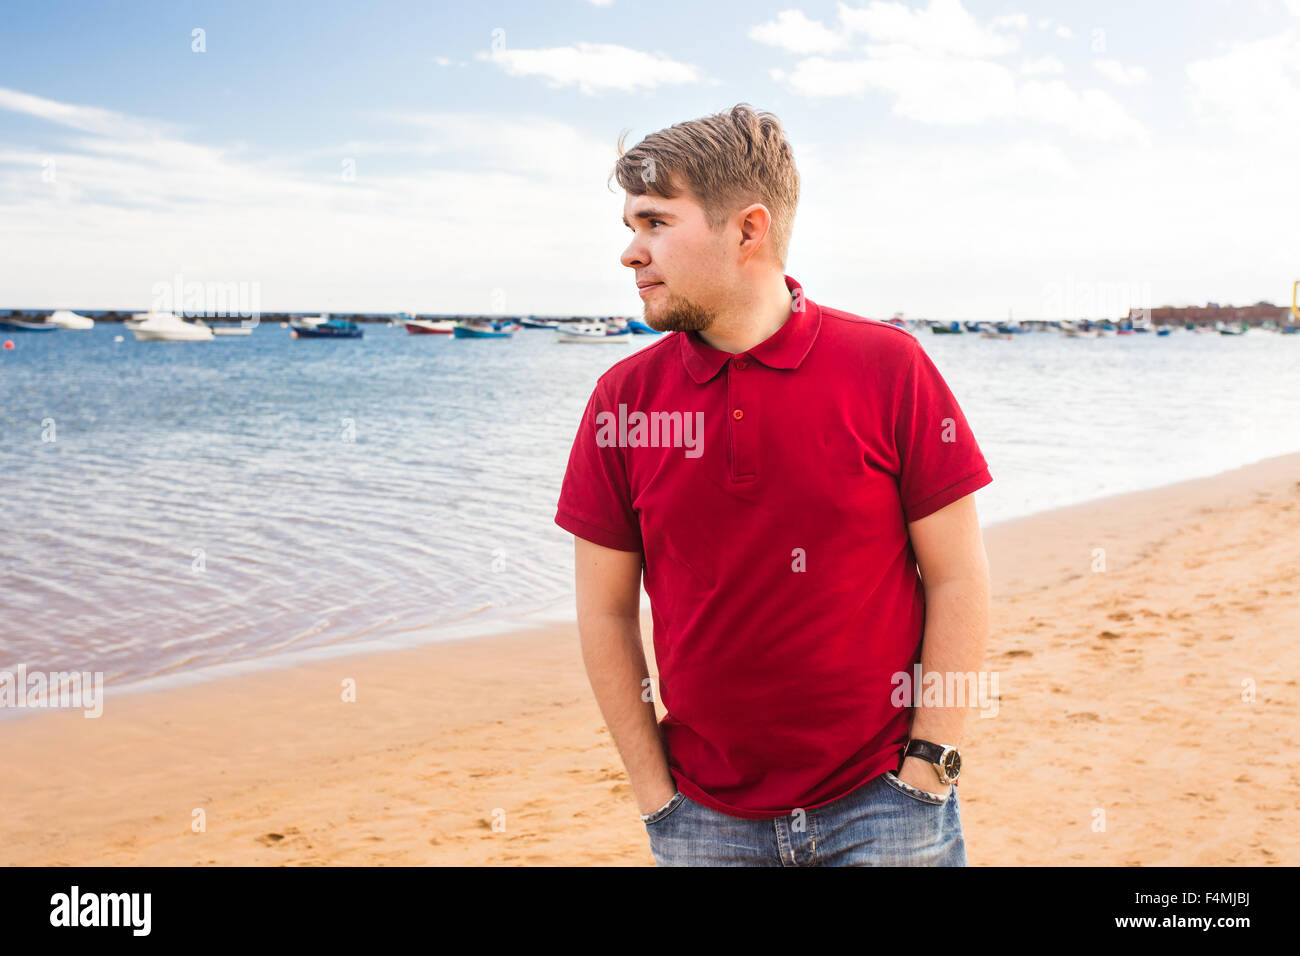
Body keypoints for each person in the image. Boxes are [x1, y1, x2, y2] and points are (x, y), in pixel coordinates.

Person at [554, 104, 993, 866]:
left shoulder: (891, 369)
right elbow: (604, 611)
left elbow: (957, 577)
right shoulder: (621, 402)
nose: (631, 252)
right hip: (703, 821)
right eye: (630, 225)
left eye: (655, 222)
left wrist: (930, 767)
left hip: (884, 809)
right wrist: (657, 797)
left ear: (748, 230)